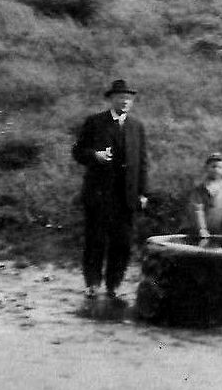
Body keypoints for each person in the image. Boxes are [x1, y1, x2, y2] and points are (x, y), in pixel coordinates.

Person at [72, 79, 149, 300]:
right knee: (95, 240)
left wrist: (143, 193)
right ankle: (92, 283)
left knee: (122, 242)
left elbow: (142, 162)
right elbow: (77, 152)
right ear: (111, 99)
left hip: (127, 196)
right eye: (121, 97)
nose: (125, 101)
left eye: (129, 98)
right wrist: (94, 155)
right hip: (99, 194)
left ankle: (114, 285)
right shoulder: (95, 122)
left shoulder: (137, 126)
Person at [185, 152, 222, 243]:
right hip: (197, 232)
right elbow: (197, 210)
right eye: (213, 167)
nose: (216, 170)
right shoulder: (200, 188)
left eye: (220, 167)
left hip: (217, 232)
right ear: (206, 168)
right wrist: (202, 229)